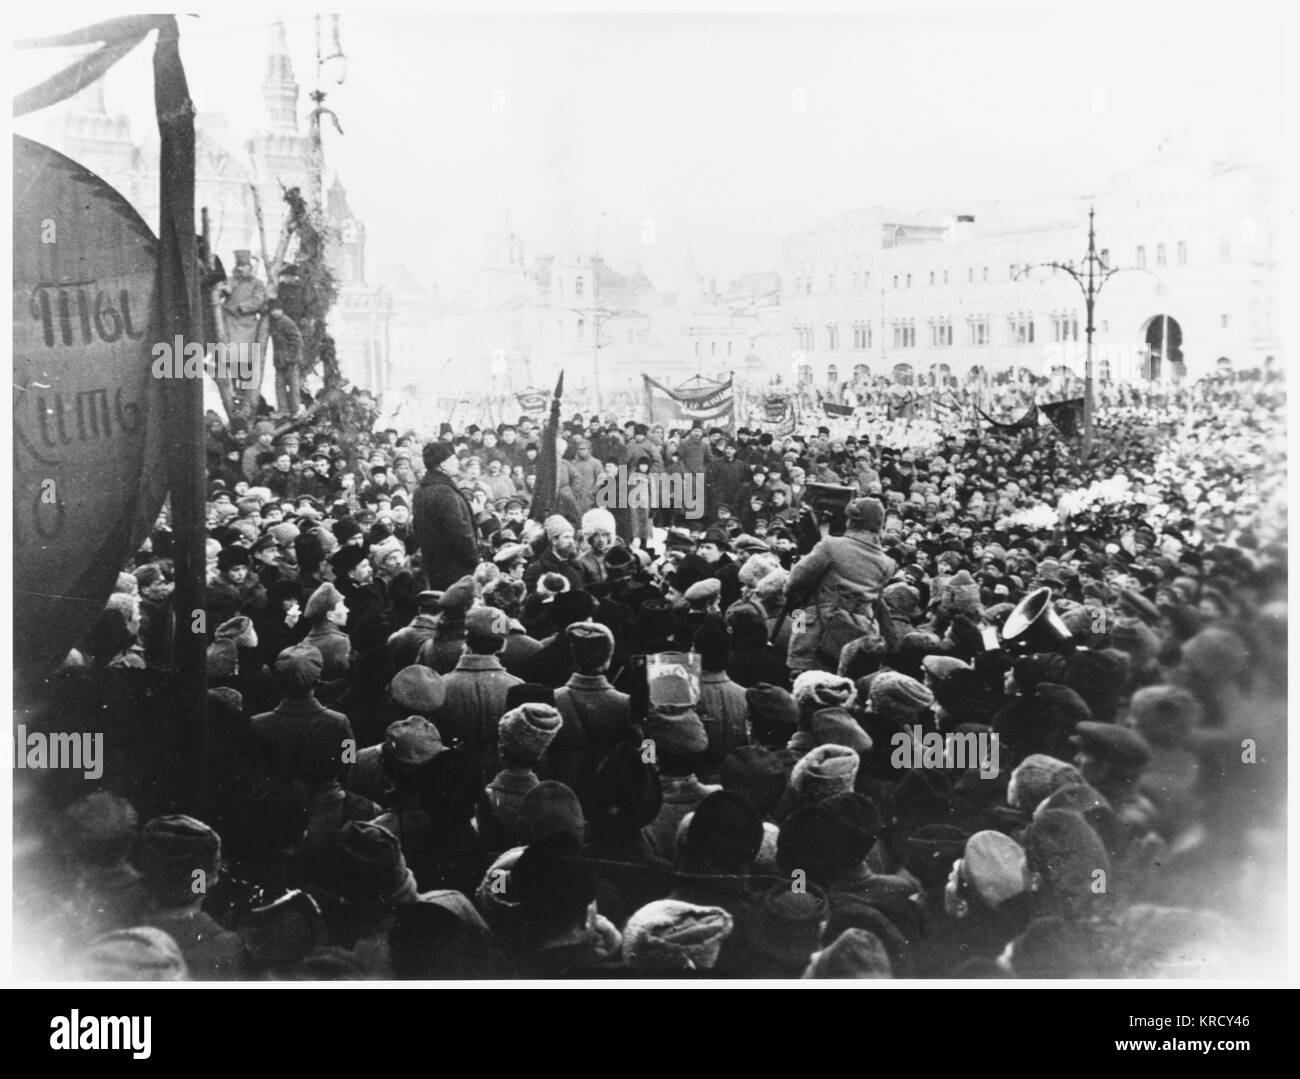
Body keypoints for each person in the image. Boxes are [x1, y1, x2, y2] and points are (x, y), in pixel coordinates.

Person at [784, 497, 896, 675]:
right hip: (860, 631)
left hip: (816, 628)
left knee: (803, 679)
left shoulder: (831, 545)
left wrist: (796, 602)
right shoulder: (888, 563)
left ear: (851, 521)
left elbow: (794, 582)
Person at [413, 442, 480, 590]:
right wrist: (475, 560)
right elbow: (459, 533)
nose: (457, 462)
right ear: (443, 465)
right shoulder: (446, 493)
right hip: (457, 570)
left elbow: (417, 528)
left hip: (433, 568)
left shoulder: (420, 491)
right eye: (453, 459)